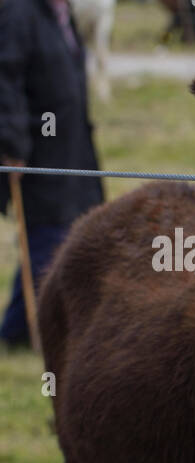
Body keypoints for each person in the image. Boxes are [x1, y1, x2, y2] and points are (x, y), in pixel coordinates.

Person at [0, 0, 105, 348]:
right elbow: (5, 78)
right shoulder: (19, 12)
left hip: (72, 147)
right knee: (48, 233)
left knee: (74, 228)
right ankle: (22, 329)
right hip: (38, 152)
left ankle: (26, 327)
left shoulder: (59, 11)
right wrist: (11, 144)